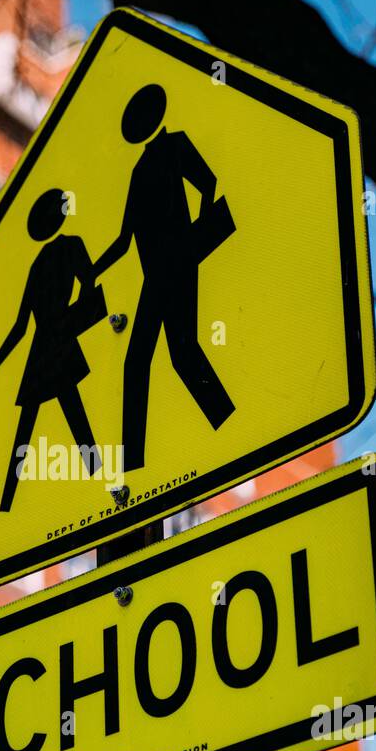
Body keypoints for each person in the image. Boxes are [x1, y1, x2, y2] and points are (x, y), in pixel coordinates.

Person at [96, 83, 236, 472]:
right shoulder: (138, 172)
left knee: (180, 354)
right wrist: (93, 271)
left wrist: (194, 238)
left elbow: (208, 183)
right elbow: (124, 240)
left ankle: (228, 424)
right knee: (146, 360)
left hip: (179, 263)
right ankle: (134, 467)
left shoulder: (176, 145)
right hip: (154, 275)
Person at [0, 188, 107, 513]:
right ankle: (99, 476)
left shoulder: (39, 262)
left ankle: (7, 501)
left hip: (45, 345)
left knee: (35, 422)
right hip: (56, 339)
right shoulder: (69, 248)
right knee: (69, 412)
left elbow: (20, 327)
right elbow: (89, 282)